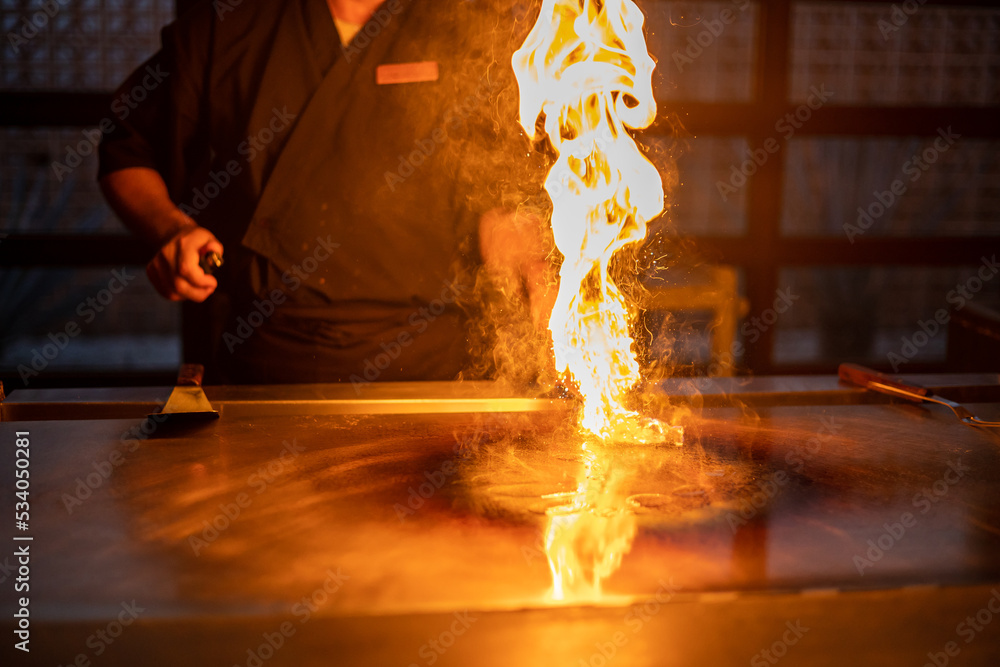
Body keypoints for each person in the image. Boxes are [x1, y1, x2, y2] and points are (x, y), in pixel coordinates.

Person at [99, 0, 555, 385]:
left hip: (439, 369)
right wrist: (170, 230)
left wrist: (521, 239)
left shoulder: (469, 24)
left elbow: (503, 177)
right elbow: (126, 147)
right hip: (273, 366)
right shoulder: (229, 26)